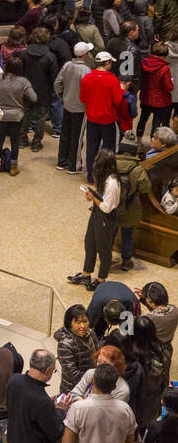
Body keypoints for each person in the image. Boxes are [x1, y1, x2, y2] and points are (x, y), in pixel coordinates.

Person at [6, 349, 64, 443]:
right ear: (49, 370)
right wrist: (60, 410)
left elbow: (22, 404)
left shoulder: (14, 380)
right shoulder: (41, 400)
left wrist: (49, 405)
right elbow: (55, 432)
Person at [67, 148, 122, 291]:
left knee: (104, 250)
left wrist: (93, 197)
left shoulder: (112, 183)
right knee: (89, 242)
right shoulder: (104, 178)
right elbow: (99, 197)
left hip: (106, 217)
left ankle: (101, 279)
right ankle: (86, 274)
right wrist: (91, 194)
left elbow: (106, 207)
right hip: (96, 214)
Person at [80, 52, 128, 171]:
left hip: (92, 119)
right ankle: (105, 174)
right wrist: (123, 90)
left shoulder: (87, 78)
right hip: (108, 120)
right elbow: (118, 102)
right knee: (108, 150)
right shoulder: (112, 80)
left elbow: (82, 98)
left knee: (91, 148)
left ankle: (91, 176)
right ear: (107, 62)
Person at [55, 42, 95, 172]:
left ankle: (61, 162)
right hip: (80, 108)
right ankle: (73, 166)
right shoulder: (86, 70)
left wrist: (63, 97)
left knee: (65, 134)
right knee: (77, 137)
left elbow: (57, 84)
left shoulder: (67, 65)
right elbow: (89, 91)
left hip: (67, 105)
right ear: (85, 54)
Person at [0, 55, 35, 175]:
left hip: (1, 114)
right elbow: (34, 97)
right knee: (14, 141)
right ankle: (13, 167)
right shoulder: (23, 81)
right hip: (17, 116)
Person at [114, 138, 149, 272]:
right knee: (127, 233)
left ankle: (105, 257)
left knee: (110, 232)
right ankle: (126, 261)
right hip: (130, 206)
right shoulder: (138, 169)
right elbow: (146, 188)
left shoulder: (111, 163)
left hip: (111, 204)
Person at [55, 304, 100, 395]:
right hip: (73, 389)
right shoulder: (64, 344)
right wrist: (93, 381)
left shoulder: (91, 333)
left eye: (85, 321)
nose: (83, 326)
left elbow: (98, 354)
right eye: (78, 322)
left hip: (92, 384)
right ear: (69, 323)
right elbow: (72, 373)